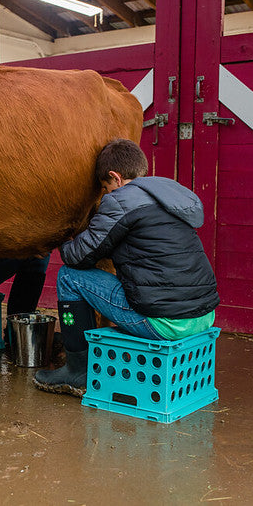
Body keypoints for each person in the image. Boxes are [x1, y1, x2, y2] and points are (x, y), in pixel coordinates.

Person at [33, 139, 219, 396]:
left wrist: (63, 240)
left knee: (69, 277)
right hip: (202, 317)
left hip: (164, 323)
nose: (106, 195)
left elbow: (78, 256)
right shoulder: (168, 195)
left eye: (105, 188)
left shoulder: (120, 200)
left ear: (115, 178)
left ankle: (76, 371)